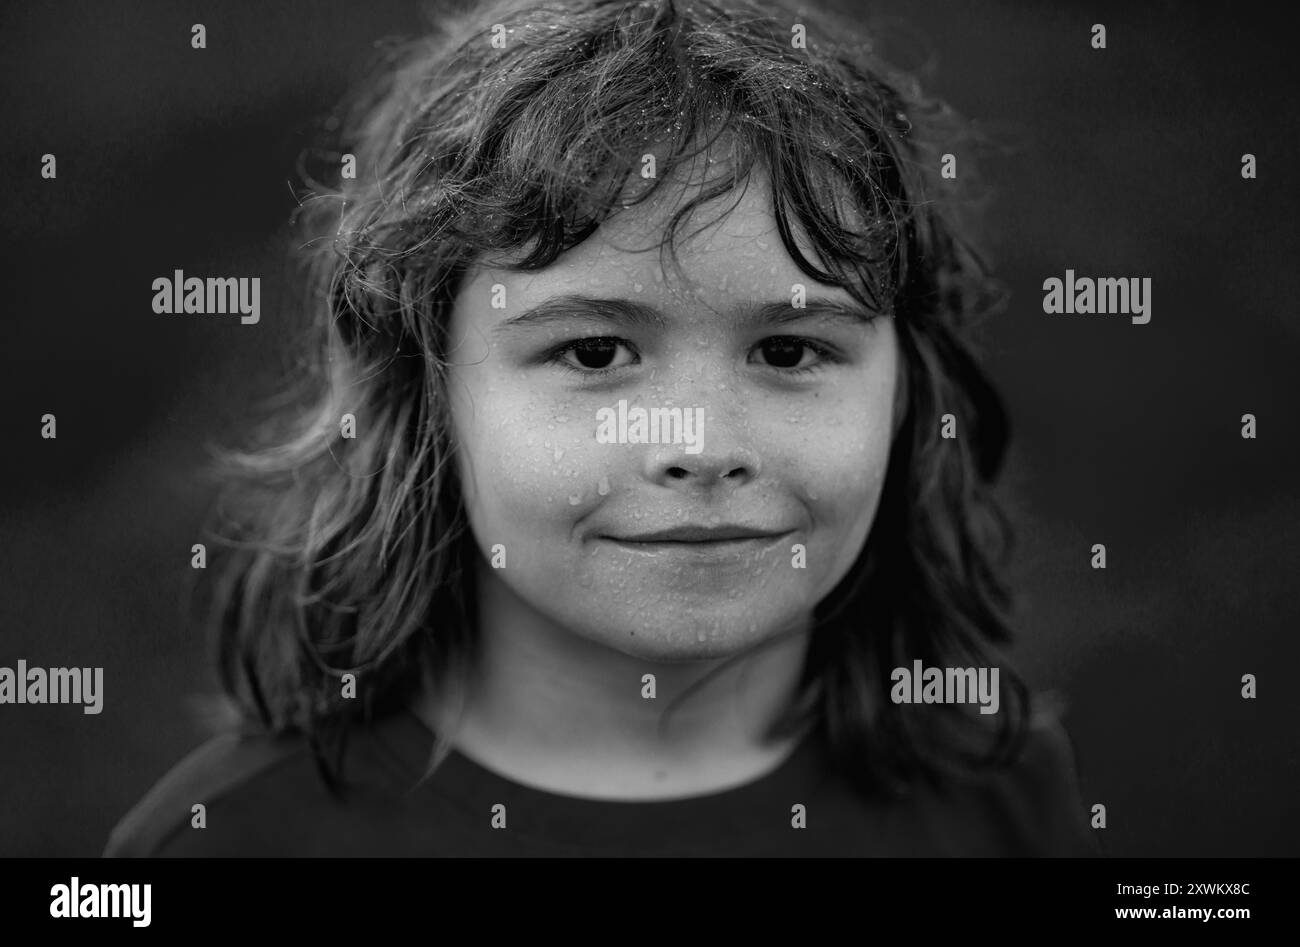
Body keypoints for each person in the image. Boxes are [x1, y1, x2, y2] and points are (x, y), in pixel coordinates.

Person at [105, 0, 1099, 857]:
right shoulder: (226, 838)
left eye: (790, 351)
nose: (701, 444)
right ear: (427, 397)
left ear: (906, 396)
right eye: (592, 353)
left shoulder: (997, 792)